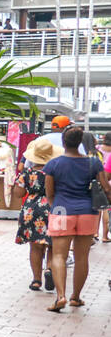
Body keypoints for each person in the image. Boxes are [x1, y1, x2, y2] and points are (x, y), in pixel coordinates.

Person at [44, 124, 111, 311]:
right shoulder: (93, 163)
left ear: (63, 142)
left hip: (61, 210)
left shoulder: (53, 164)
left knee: (59, 255)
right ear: (80, 141)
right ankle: (76, 297)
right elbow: (106, 188)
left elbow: (49, 193)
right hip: (88, 212)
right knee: (82, 257)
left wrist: (56, 207)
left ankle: (60, 296)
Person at [15, 138, 56, 290]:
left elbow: (19, 193)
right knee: (53, 245)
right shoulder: (56, 172)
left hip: (31, 210)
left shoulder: (27, 173)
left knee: (35, 246)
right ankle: (49, 269)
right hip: (53, 207)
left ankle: (36, 280)